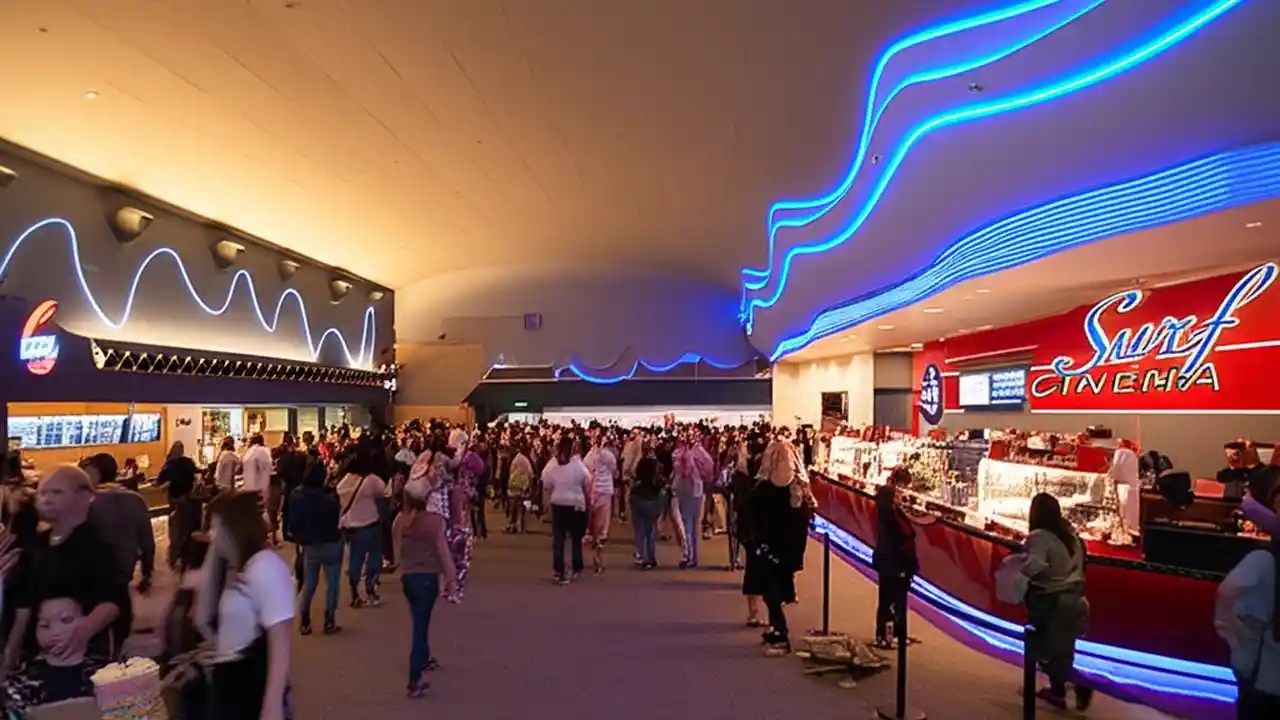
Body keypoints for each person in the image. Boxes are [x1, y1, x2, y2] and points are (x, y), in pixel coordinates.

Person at [3, 466, 124, 679]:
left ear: (85, 497)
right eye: (42, 493)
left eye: (57, 492)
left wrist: (83, 631)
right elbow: (25, 604)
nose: (46, 499)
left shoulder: (96, 545)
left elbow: (114, 599)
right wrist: (12, 651)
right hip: (36, 658)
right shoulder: (36, 545)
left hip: (79, 659)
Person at [197, 490, 293, 720]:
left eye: (216, 527)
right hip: (232, 682)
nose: (212, 535)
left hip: (248, 686)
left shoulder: (265, 568)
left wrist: (272, 706)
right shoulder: (240, 567)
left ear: (234, 528)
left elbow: (281, 642)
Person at [1216, 466, 1280, 717]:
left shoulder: (1261, 563)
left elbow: (1227, 612)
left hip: (1264, 683)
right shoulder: (1262, 562)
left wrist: (1243, 660)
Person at [1021, 493, 1093, 711]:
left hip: (1051, 600)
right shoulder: (1071, 537)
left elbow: (1034, 566)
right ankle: (1057, 692)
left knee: (1046, 648)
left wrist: (1014, 568)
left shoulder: (1039, 537)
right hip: (1076, 599)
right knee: (1062, 650)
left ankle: (1080, 684)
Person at [80, 453, 154, 657]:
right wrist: (148, 572)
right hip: (123, 578)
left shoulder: (88, 501)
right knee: (121, 629)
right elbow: (147, 541)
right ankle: (116, 662)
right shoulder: (136, 500)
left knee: (97, 635)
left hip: (93, 580)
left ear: (95, 472)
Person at [393, 475, 458, 698]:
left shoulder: (399, 521)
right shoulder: (434, 522)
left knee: (419, 620)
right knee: (420, 626)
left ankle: (425, 657)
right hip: (427, 578)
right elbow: (443, 551)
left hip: (408, 578)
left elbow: (396, 553)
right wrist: (451, 578)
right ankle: (415, 677)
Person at [747, 455, 812, 652]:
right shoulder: (795, 490)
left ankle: (780, 631)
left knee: (770, 591)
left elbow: (755, 515)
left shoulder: (767, 491)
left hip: (771, 546)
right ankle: (777, 628)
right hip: (786, 549)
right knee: (774, 590)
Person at [288, 461, 344, 636]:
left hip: (310, 543)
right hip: (331, 541)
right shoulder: (330, 496)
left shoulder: (297, 495)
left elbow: (293, 520)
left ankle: (305, 619)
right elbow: (336, 516)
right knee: (332, 583)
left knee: (309, 583)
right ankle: (329, 619)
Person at [873, 467, 920, 649]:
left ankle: (888, 634)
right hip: (895, 564)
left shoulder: (887, 513)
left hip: (888, 562)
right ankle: (889, 635)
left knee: (889, 599)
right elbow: (906, 537)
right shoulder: (893, 518)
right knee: (894, 600)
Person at [337, 447, 388, 608]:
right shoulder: (371, 480)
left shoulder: (345, 481)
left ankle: (355, 593)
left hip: (350, 526)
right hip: (370, 522)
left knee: (355, 559)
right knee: (373, 557)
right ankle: (370, 589)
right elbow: (384, 490)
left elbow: (338, 494)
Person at [542, 436, 590, 585]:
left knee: (559, 538)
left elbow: (546, 482)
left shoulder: (552, 465)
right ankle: (576, 566)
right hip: (575, 503)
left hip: (558, 502)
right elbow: (587, 480)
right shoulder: (577, 464)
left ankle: (559, 570)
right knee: (576, 538)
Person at [157, 441, 201, 570]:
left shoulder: (168, 465)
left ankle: (174, 556)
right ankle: (186, 556)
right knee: (187, 528)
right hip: (188, 499)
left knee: (176, 529)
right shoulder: (188, 463)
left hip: (175, 499)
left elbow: (161, 483)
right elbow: (196, 476)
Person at [672, 433, 713, 569]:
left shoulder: (680, 454)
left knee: (686, 524)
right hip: (698, 489)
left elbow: (679, 472)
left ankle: (688, 555)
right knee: (696, 525)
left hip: (686, 489)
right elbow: (709, 468)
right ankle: (694, 557)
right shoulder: (701, 453)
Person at [584, 433, 618, 574]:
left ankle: (595, 554)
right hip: (604, 492)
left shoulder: (588, 456)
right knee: (602, 528)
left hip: (592, 493)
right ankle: (598, 557)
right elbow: (614, 471)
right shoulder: (609, 456)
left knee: (592, 526)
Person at [629, 452, 664, 569]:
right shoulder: (655, 472)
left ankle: (641, 555)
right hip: (650, 501)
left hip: (638, 499)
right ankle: (650, 556)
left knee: (640, 530)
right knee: (649, 530)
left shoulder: (641, 467)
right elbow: (660, 484)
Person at [506, 441, 534, 534]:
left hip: (514, 487)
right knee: (523, 508)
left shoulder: (516, 459)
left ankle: (513, 526)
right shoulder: (524, 460)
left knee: (514, 509)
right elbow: (530, 474)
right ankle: (521, 527)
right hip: (522, 487)